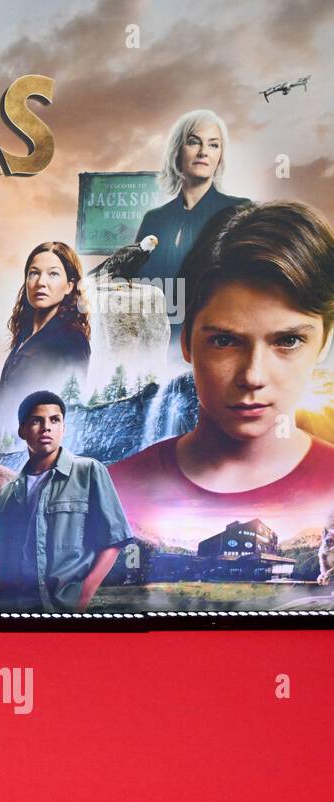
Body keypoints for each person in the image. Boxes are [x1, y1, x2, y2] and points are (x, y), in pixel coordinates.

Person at [109, 201, 334, 548]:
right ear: (186, 341)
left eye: (288, 341)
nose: (253, 376)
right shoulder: (108, 491)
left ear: (323, 344)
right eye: (225, 341)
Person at [0, 392, 133, 612]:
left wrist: (83, 595)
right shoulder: (8, 492)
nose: (46, 427)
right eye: (37, 420)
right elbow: (1, 558)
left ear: (63, 429)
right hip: (17, 611)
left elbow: (114, 540)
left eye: (54, 420)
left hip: (67, 607)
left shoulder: (89, 471)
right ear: (22, 430)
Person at [133, 109, 250, 359]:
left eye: (213, 145)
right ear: (178, 151)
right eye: (194, 141)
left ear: (220, 156)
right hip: (155, 348)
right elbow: (137, 287)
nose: (203, 152)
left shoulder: (241, 211)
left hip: (217, 345)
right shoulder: (154, 219)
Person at [0, 242, 90, 437]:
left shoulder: (71, 340)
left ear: (69, 286)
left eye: (53, 274)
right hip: (10, 445)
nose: (41, 282)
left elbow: (70, 404)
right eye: (34, 273)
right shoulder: (25, 336)